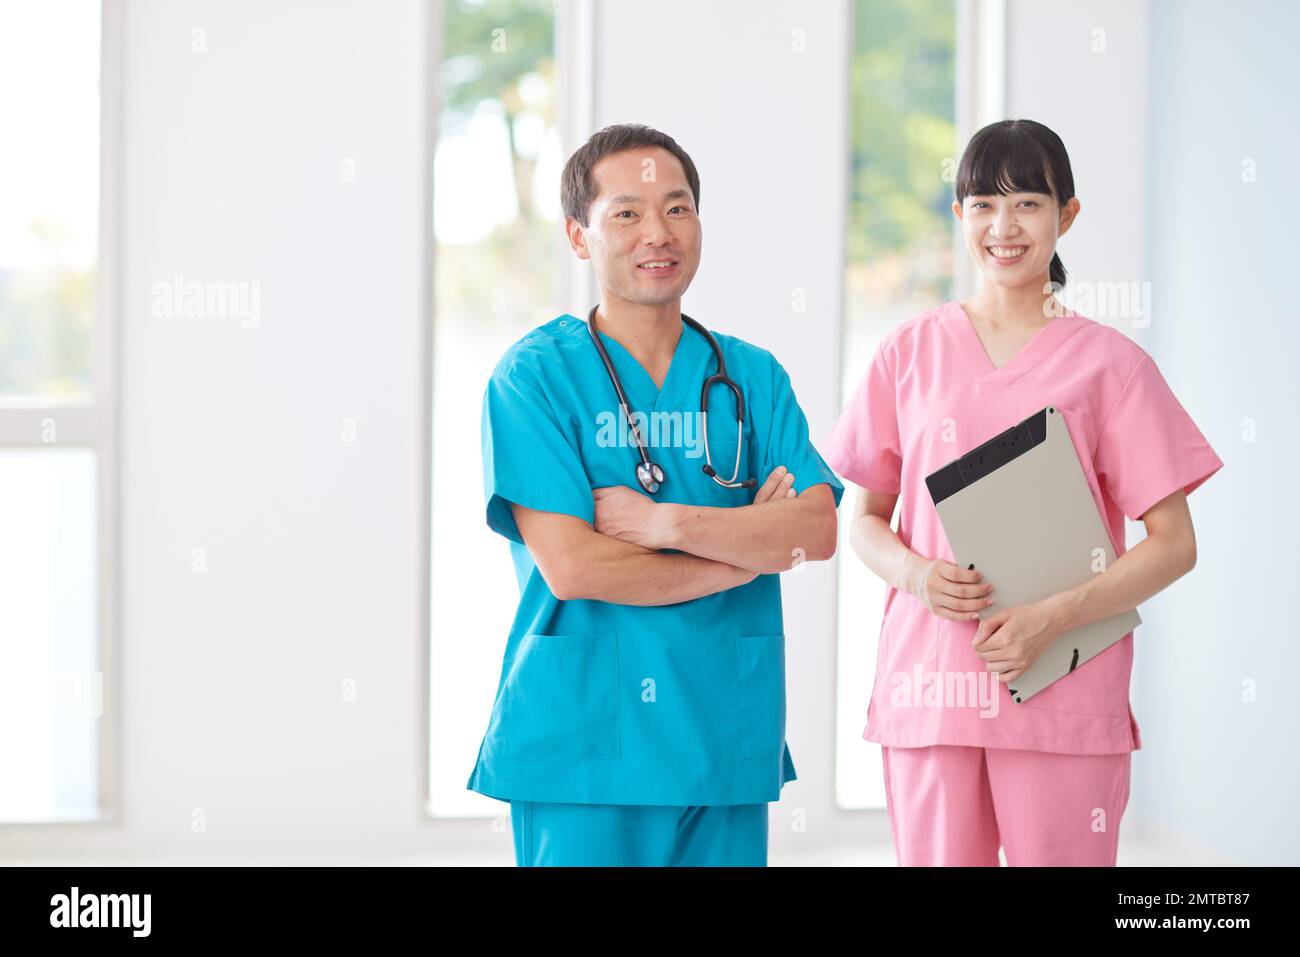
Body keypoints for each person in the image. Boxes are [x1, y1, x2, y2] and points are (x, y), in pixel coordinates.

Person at [824, 119, 1223, 867]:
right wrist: (916, 574)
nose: (1003, 227)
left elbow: (1177, 544)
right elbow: (865, 518)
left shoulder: (1111, 366)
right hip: (934, 689)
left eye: (1028, 204)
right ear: (959, 216)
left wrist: (1053, 616)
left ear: (1066, 215)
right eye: (982, 204)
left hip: (1062, 688)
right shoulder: (907, 353)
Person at [468, 123, 844, 866]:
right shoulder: (534, 379)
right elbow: (577, 568)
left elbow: (816, 530)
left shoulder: (751, 377)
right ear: (580, 236)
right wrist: (741, 554)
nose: (657, 233)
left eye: (677, 208)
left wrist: (664, 520)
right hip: (585, 741)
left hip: (720, 733)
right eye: (626, 213)